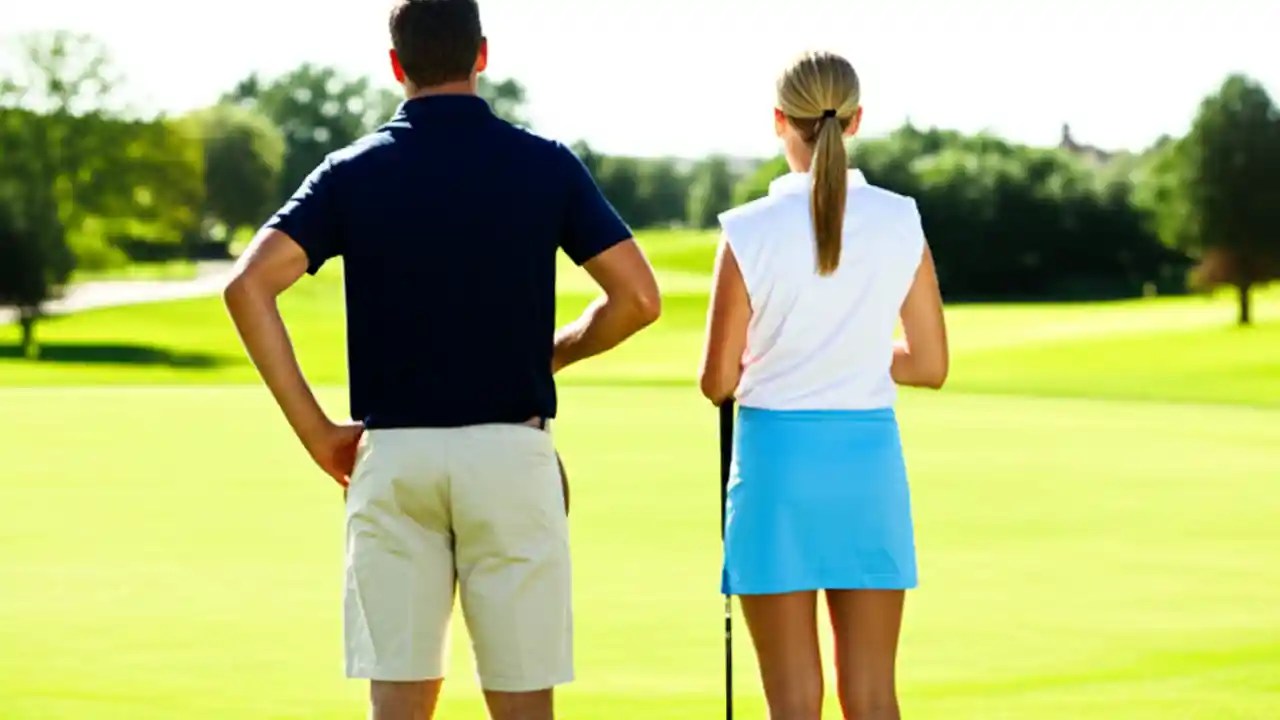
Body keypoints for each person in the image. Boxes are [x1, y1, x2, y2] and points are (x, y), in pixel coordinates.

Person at [222, 1, 660, 718]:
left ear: (396, 65)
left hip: (392, 457)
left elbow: (248, 287)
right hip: (510, 455)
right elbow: (637, 299)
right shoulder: (544, 163)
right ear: (481, 55)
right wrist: (552, 354)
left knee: (398, 703)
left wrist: (316, 432)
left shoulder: (350, 171)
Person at [699, 51, 948, 720]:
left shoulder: (746, 230)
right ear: (857, 119)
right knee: (871, 697)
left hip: (777, 472)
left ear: (780, 121)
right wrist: (858, 353)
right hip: (867, 471)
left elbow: (718, 380)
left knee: (793, 702)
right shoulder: (902, 220)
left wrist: (790, 354)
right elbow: (929, 364)